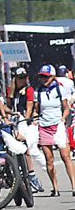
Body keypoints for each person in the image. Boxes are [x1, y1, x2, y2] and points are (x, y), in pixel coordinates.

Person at [32, 64, 75, 195]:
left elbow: (66, 108)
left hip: (58, 126)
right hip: (44, 127)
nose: (44, 79)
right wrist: (35, 119)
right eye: (42, 77)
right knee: (49, 159)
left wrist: (63, 119)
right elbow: (36, 109)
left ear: (53, 77)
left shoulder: (59, 90)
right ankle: (55, 188)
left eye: (46, 77)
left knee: (65, 156)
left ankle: (74, 186)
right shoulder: (38, 92)